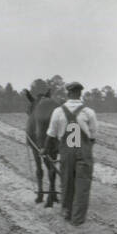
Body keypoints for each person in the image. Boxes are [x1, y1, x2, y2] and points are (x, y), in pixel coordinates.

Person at [44, 81, 97, 225]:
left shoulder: (58, 111)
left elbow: (51, 134)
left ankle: (67, 212)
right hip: (83, 153)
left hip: (66, 153)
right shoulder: (89, 112)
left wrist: (44, 150)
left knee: (66, 183)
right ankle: (78, 220)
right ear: (80, 94)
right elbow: (92, 137)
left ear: (68, 93)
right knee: (83, 186)